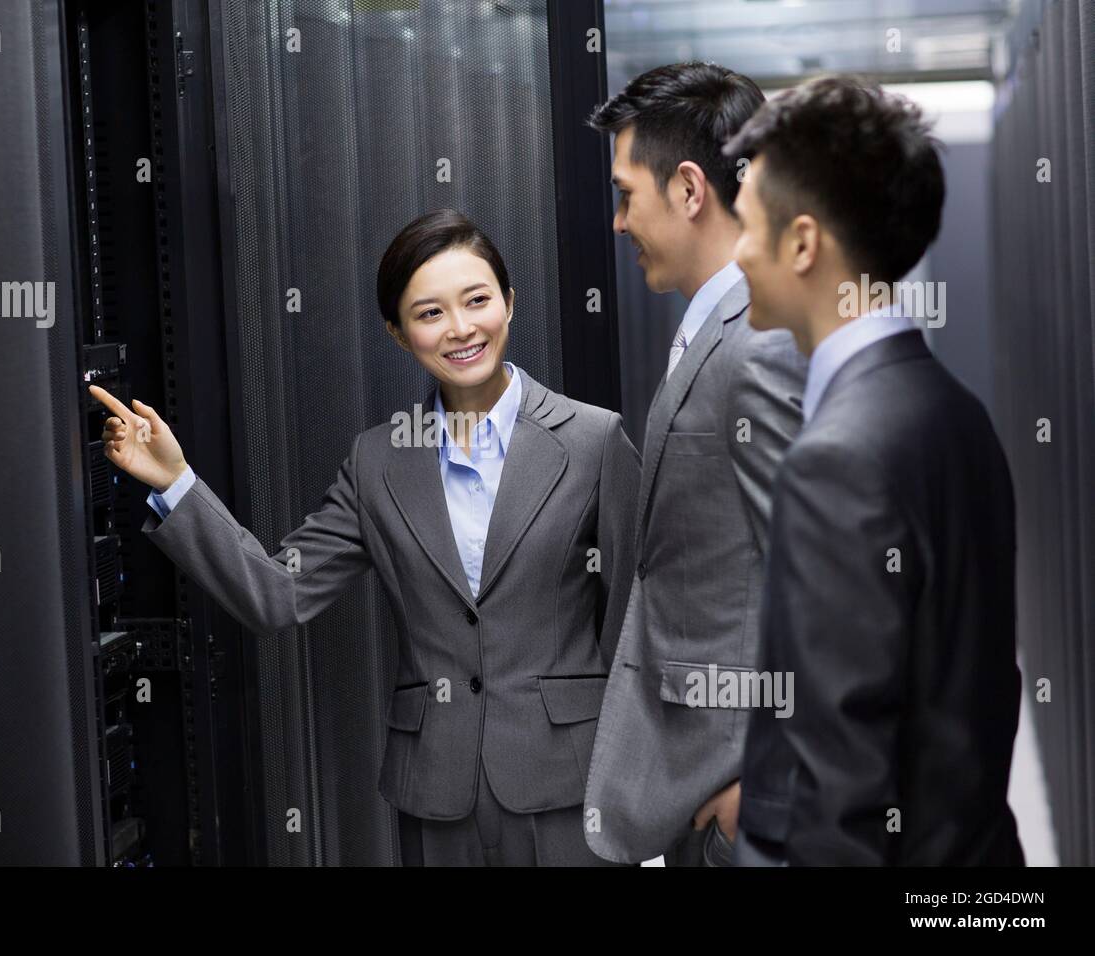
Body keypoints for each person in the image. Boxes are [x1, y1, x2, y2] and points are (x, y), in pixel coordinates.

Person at [90, 208, 640, 866]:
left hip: (571, 784)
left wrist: (646, 780)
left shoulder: (592, 439)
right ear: (399, 334)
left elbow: (643, 611)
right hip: (437, 795)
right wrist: (176, 481)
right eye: (430, 313)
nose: (461, 329)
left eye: (477, 301)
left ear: (510, 303)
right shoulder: (379, 461)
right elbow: (277, 594)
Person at [724, 76, 1023, 865]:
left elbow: (840, 793)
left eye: (747, 225)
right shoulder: (954, 410)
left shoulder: (837, 459)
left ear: (802, 243)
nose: (737, 252)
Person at [581, 62, 807, 866]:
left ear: (687, 190)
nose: (617, 222)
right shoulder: (729, 326)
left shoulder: (761, 342)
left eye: (624, 194)